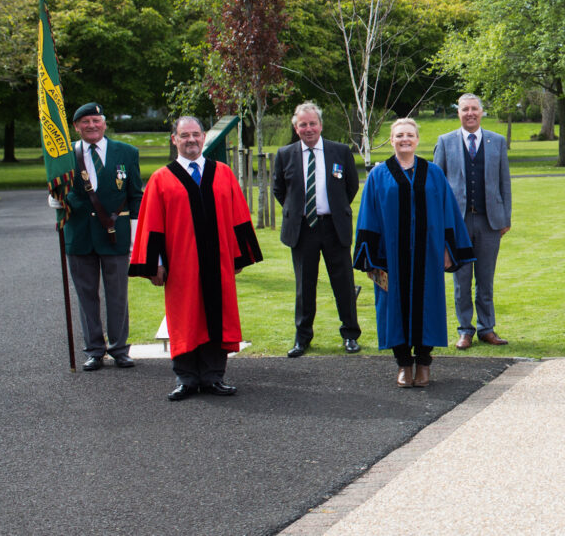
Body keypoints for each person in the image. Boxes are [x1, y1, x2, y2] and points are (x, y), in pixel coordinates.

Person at [130, 117, 262, 401]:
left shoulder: (223, 173)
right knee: (185, 317)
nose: (191, 140)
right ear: (174, 139)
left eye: (195, 135)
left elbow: (239, 217)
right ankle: (186, 378)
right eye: (184, 135)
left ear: (204, 137)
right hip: (182, 265)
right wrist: (157, 264)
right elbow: (152, 225)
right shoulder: (161, 179)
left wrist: (238, 256)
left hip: (218, 262)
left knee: (218, 315)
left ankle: (214, 377)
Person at [356, 118, 474, 389]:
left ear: (418, 140)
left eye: (409, 135)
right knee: (393, 308)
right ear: (391, 140)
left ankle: (423, 364)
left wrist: (448, 248)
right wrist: (370, 258)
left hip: (427, 254)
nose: (404, 139)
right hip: (390, 257)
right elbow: (368, 217)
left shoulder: (433, 173)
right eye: (399, 135)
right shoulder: (378, 175)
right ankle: (403, 365)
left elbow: (448, 212)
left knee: (427, 305)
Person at [271, 102, 361, 357]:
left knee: (343, 283)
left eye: (312, 123)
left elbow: (351, 186)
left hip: (334, 227)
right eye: (303, 124)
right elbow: (280, 190)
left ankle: (350, 335)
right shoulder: (285, 154)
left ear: (320, 125)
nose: (308, 129)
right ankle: (302, 338)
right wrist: (299, 209)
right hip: (303, 229)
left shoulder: (340, 152)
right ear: (296, 127)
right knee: (304, 286)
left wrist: (334, 208)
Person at [61, 102, 143, 371]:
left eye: (96, 120)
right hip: (80, 234)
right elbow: (57, 187)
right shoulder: (64, 156)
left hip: (115, 234)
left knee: (117, 293)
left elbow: (135, 196)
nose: (92, 126)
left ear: (105, 123)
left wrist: (135, 234)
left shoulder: (127, 153)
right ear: (76, 127)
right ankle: (94, 350)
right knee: (86, 295)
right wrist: (54, 199)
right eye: (85, 122)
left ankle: (119, 348)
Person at [433, 93, 512, 348]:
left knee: (486, 279)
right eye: (465, 109)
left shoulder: (497, 142)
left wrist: (505, 218)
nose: (470, 113)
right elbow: (437, 187)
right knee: (461, 280)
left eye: (474, 109)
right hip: (459, 223)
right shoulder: (445, 142)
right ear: (458, 112)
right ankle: (464, 329)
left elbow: (504, 183)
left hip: (490, 222)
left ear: (481, 112)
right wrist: (442, 225)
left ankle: (486, 328)